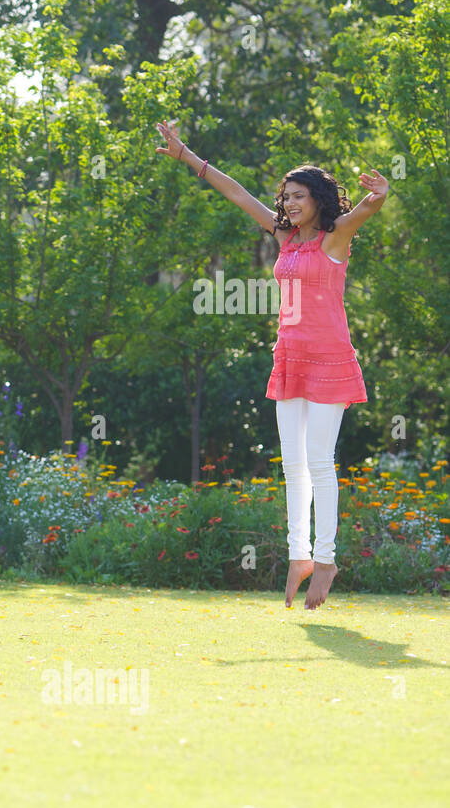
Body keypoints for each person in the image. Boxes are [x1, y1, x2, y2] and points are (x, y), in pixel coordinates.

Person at [155, 120, 389, 610]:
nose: (288, 204)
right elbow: (238, 194)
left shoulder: (333, 240)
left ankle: (326, 560)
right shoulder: (285, 239)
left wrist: (379, 196)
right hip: (290, 358)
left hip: (329, 361)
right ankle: (299, 556)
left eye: (298, 196)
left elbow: (366, 211)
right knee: (295, 467)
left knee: (321, 464)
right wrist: (188, 158)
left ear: (319, 200)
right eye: (286, 197)